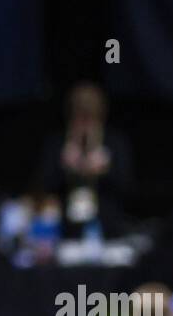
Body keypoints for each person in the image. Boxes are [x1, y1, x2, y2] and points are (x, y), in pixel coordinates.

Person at [35, 82, 134, 238]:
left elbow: (127, 187)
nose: (85, 125)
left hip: (108, 229)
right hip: (66, 230)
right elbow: (44, 187)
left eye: (90, 118)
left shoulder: (114, 142)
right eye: (80, 118)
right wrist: (64, 166)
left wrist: (105, 170)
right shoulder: (57, 143)